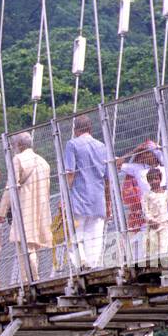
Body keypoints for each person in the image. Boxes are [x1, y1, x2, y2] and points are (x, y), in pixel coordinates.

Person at [0, 131, 52, 282]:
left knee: (24, 246)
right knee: (34, 245)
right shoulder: (44, 162)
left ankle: (30, 279)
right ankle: (32, 278)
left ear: (19, 145)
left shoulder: (18, 159)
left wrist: (2, 211)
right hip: (41, 208)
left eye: (14, 145)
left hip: (24, 207)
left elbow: (11, 187)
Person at [63, 114, 110, 270]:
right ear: (90, 128)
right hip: (98, 198)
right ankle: (93, 266)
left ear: (75, 130)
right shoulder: (102, 146)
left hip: (79, 197)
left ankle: (81, 263)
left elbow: (70, 172)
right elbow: (107, 179)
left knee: (75, 233)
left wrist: (64, 196)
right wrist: (108, 202)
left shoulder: (72, 145)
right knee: (95, 236)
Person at [143, 167, 168, 263]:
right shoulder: (147, 195)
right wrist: (151, 221)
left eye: (156, 179)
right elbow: (145, 211)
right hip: (153, 226)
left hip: (164, 224)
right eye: (151, 180)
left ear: (160, 179)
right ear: (148, 181)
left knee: (163, 247)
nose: (154, 181)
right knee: (153, 249)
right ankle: (154, 269)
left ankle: (164, 266)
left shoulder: (165, 193)